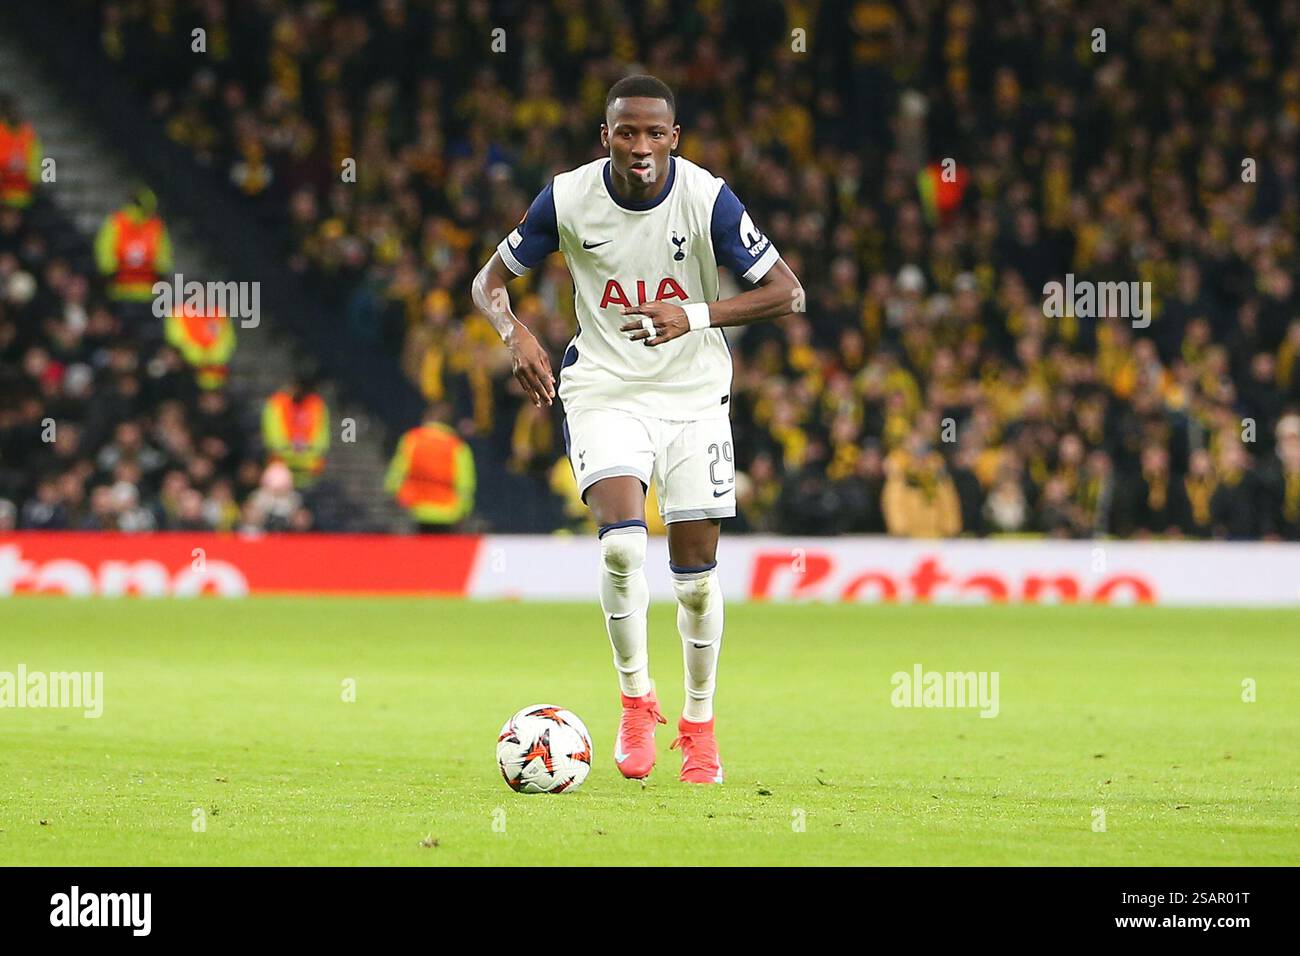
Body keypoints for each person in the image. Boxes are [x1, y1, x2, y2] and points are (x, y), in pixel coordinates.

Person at [471, 75, 803, 784]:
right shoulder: (566, 198)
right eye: (627, 132)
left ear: (674, 139)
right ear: (606, 137)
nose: (642, 145)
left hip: (693, 398)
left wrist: (697, 314)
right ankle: (634, 701)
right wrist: (514, 332)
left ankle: (700, 727)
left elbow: (787, 292)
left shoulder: (707, 199)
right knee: (622, 546)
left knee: (694, 583)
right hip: (604, 389)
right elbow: (488, 282)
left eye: (656, 133)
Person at [384, 404, 476, 533]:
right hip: (448, 512)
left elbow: (397, 472)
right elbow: (465, 484)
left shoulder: (411, 439)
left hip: (415, 509)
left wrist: (394, 493)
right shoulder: (458, 447)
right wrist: (464, 510)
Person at [261, 376, 330, 489]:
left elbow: (321, 437)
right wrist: (294, 450)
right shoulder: (277, 403)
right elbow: (273, 435)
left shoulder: (316, 405)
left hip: (308, 469)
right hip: (281, 466)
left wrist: (304, 451)